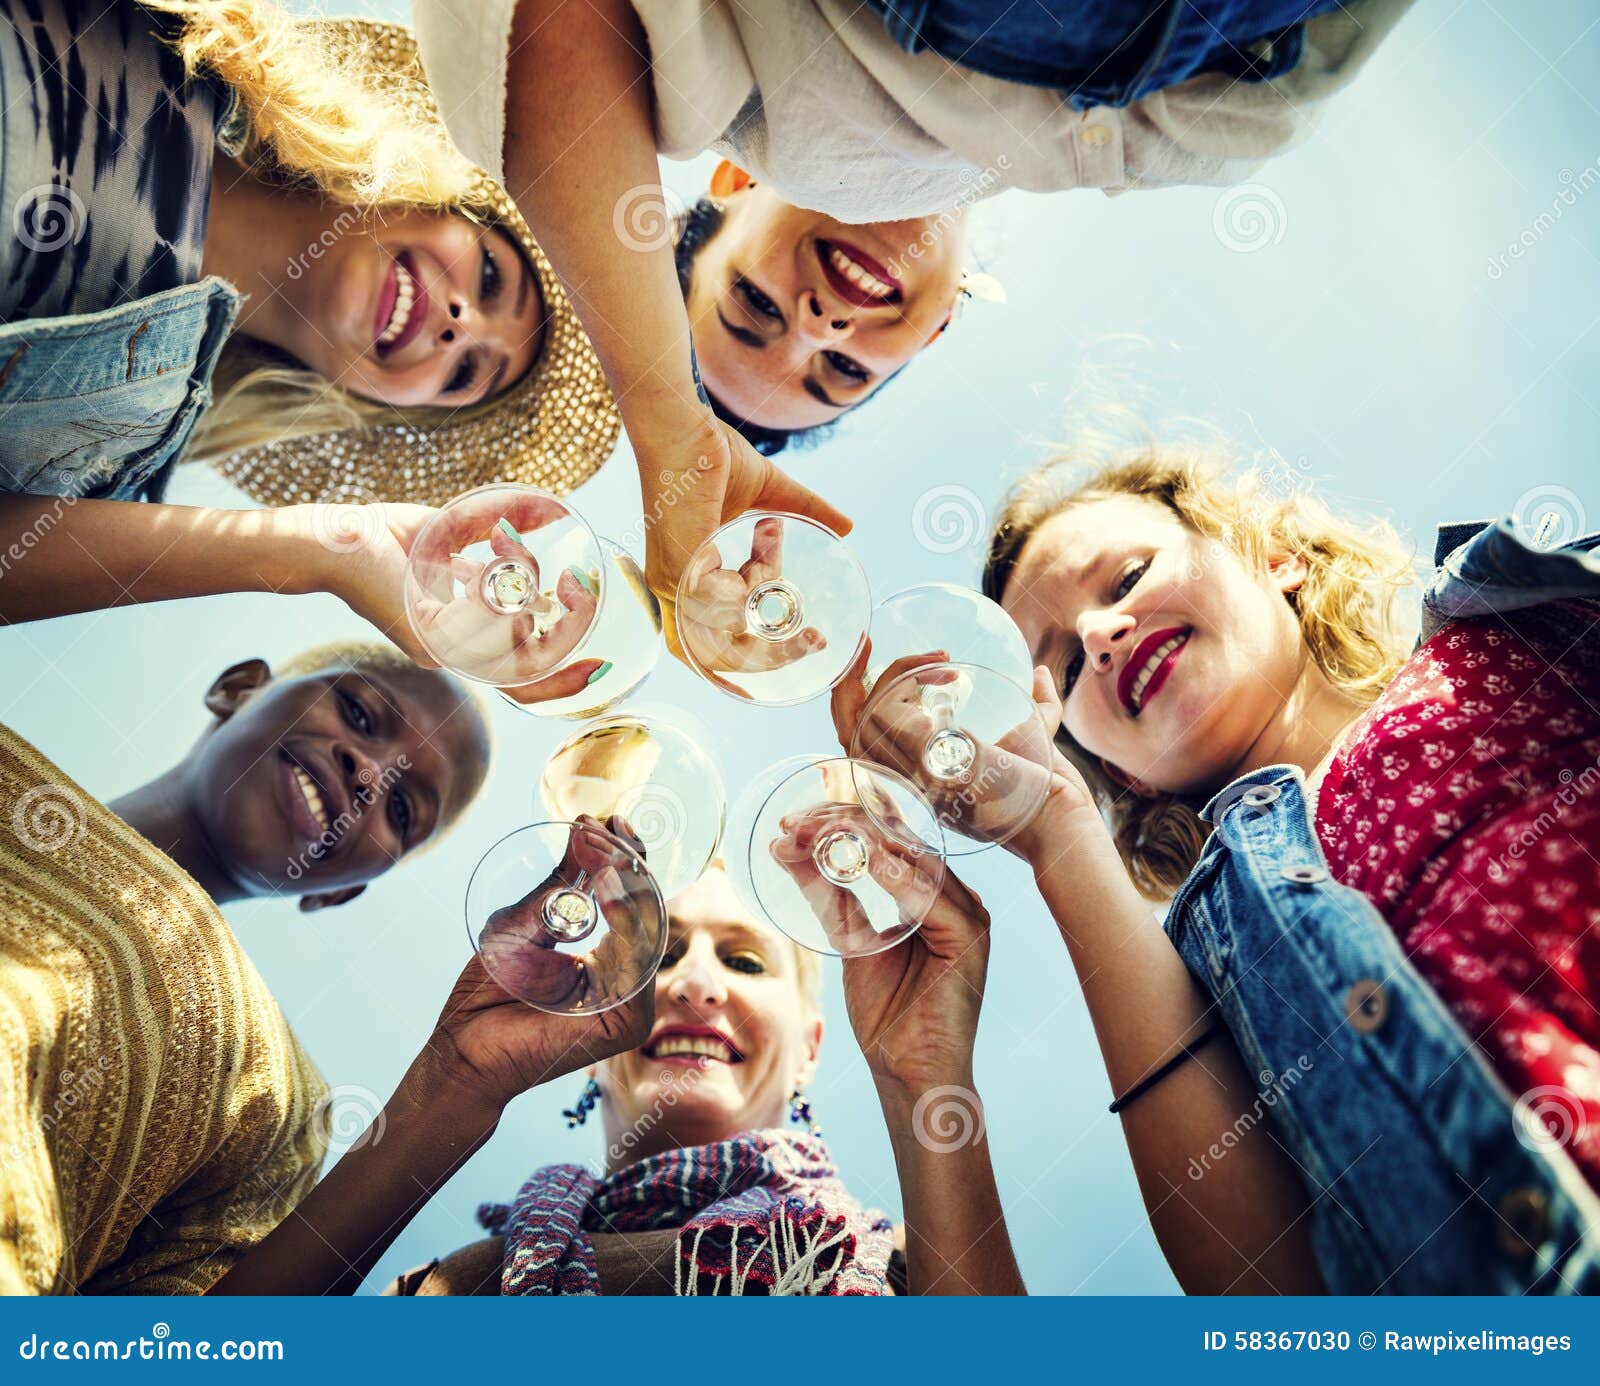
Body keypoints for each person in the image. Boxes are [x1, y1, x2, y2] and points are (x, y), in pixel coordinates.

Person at [405, 0, 1412, 613]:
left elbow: (529, 32)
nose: (819, 326)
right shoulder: (1190, 151)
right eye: (839, 370)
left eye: (752, 305)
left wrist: (665, 417)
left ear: (726, 187)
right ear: (937, 330)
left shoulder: (753, 103)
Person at [879, 442, 1600, 1294]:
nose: (1102, 637)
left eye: (1126, 578)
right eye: (1066, 667)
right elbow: (1267, 1293)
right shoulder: (1201, 967)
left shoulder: (1513, 618)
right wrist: (1057, 829)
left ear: (1275, 555)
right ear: (1120, 775)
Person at [0, 641, 491, 1293]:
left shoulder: (281, 1105)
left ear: (338, 892)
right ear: (239, 686)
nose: (370, 773)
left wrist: (463, 1085)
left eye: (402, 810)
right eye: (359, 712)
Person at [0, 2, 619, 507]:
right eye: (489, 277)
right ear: (437, 199)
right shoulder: (189, 25)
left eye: (465, 373)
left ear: (374, 403)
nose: (461, 327)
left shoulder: (113, 462)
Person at [389, 862, 1024, 1296]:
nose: (695, 985)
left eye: (743, 960)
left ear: (808, 1048)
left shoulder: (924, 1265)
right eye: (661, 958)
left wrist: (926, 1077)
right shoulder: (429, 1287)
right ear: (590, 1029)